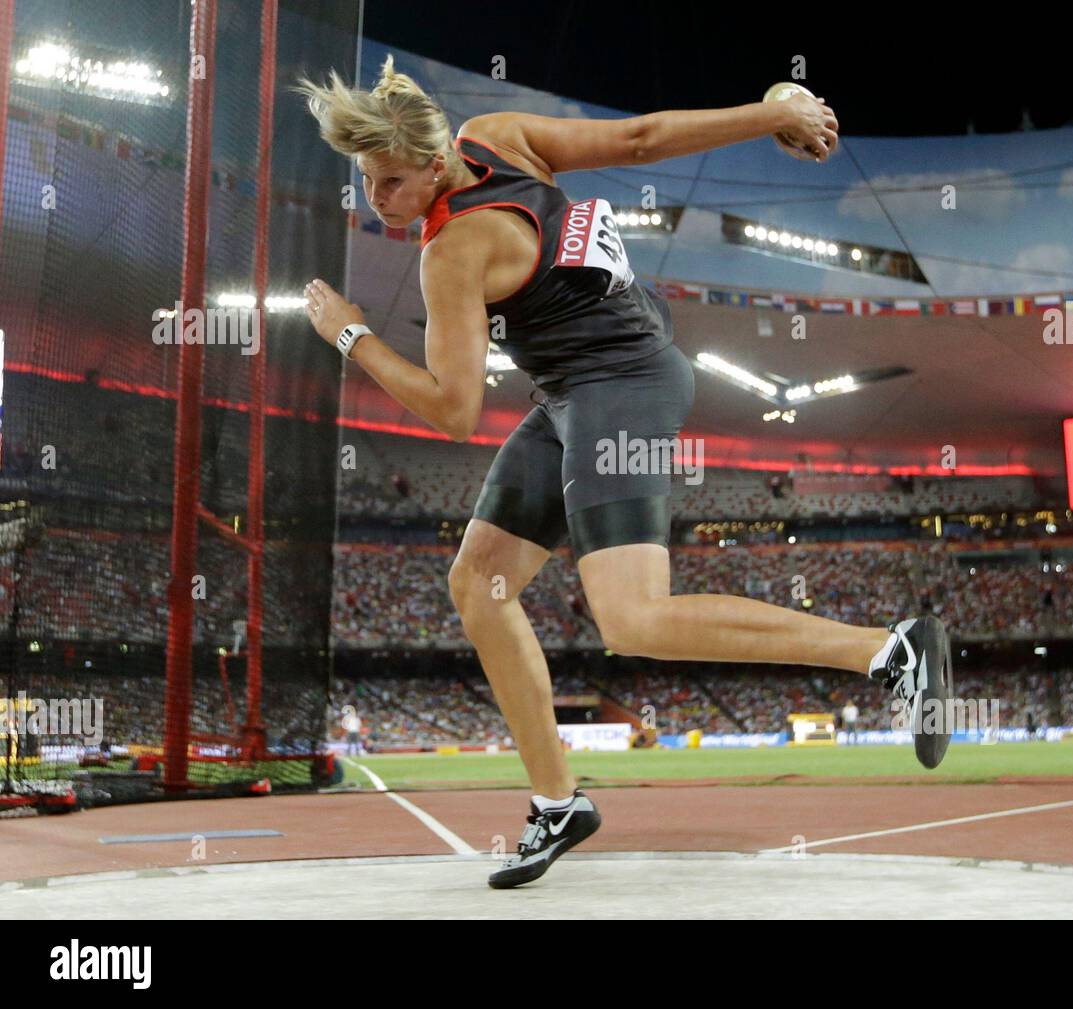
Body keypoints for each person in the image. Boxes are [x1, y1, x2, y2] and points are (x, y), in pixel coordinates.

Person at [296, 57, 951, 889]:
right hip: (575, 389)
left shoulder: (452, 250)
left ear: (434, 166)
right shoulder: (494, 139)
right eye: (363, 180)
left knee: (634, 617)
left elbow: (452, 410)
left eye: (388, 182)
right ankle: (558, 802)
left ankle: (889, 651)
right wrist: (768, 108)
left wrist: (352, 337)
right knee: (479, 582)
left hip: (620, 387)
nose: (373, 200)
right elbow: (640, 139)